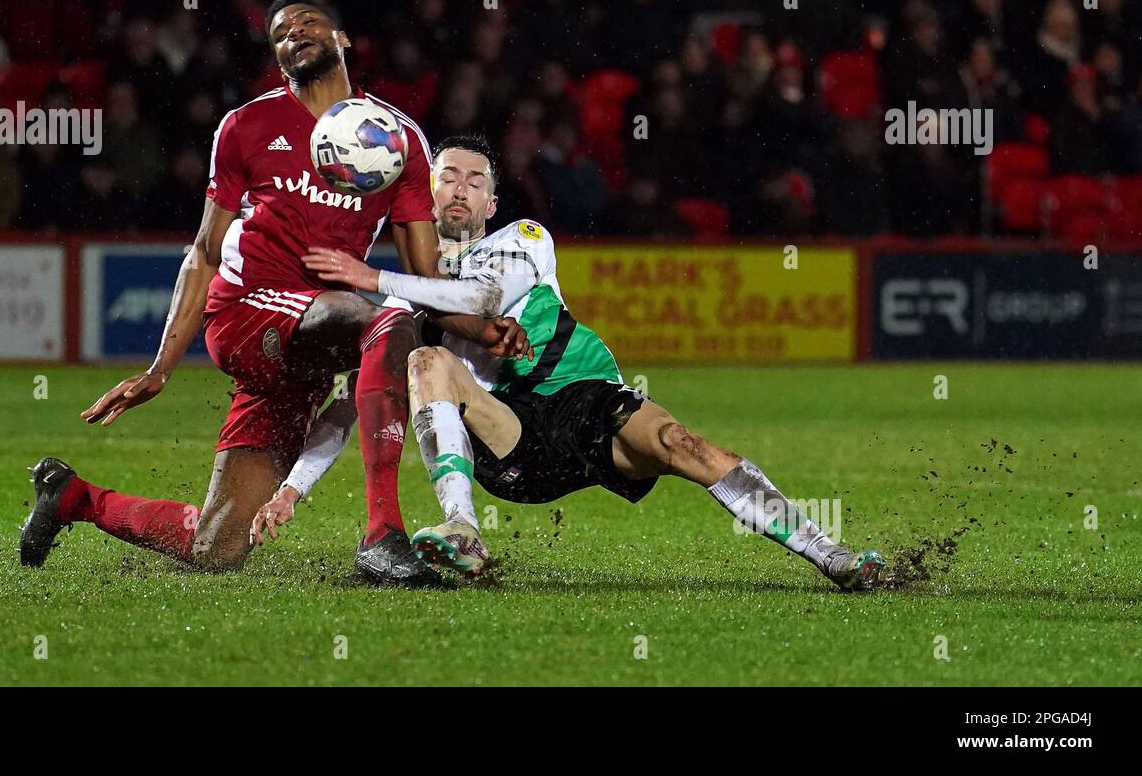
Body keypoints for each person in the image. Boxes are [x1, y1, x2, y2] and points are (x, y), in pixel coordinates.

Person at [21, 0, 526, 585]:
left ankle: (74, 498)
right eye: (280, 32)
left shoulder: (400, 141)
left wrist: (483, 330)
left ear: (341, 38)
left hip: (307, 348)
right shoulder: (246, 127)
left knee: (218, 545)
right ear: (278, 59)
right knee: (384, 321)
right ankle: (381, 535)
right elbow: (206, 251)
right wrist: (160, 368)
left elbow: (427, 281)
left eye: (307, 22)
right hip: (247, 312)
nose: (293, 33)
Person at [253, 134, 884, 591]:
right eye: (447, 176)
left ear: (493, 203)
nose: (461, 190)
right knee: (423, 364)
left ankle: (831, 556)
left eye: (476, 182)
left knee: (678, 443)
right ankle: (463, 531)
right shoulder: (396, 295)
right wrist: (290, 490)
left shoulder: (522, 240)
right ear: (421, 190)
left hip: (585, 402)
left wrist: (374, 276)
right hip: (511, 439)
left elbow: (482, 299)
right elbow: (355, 402)